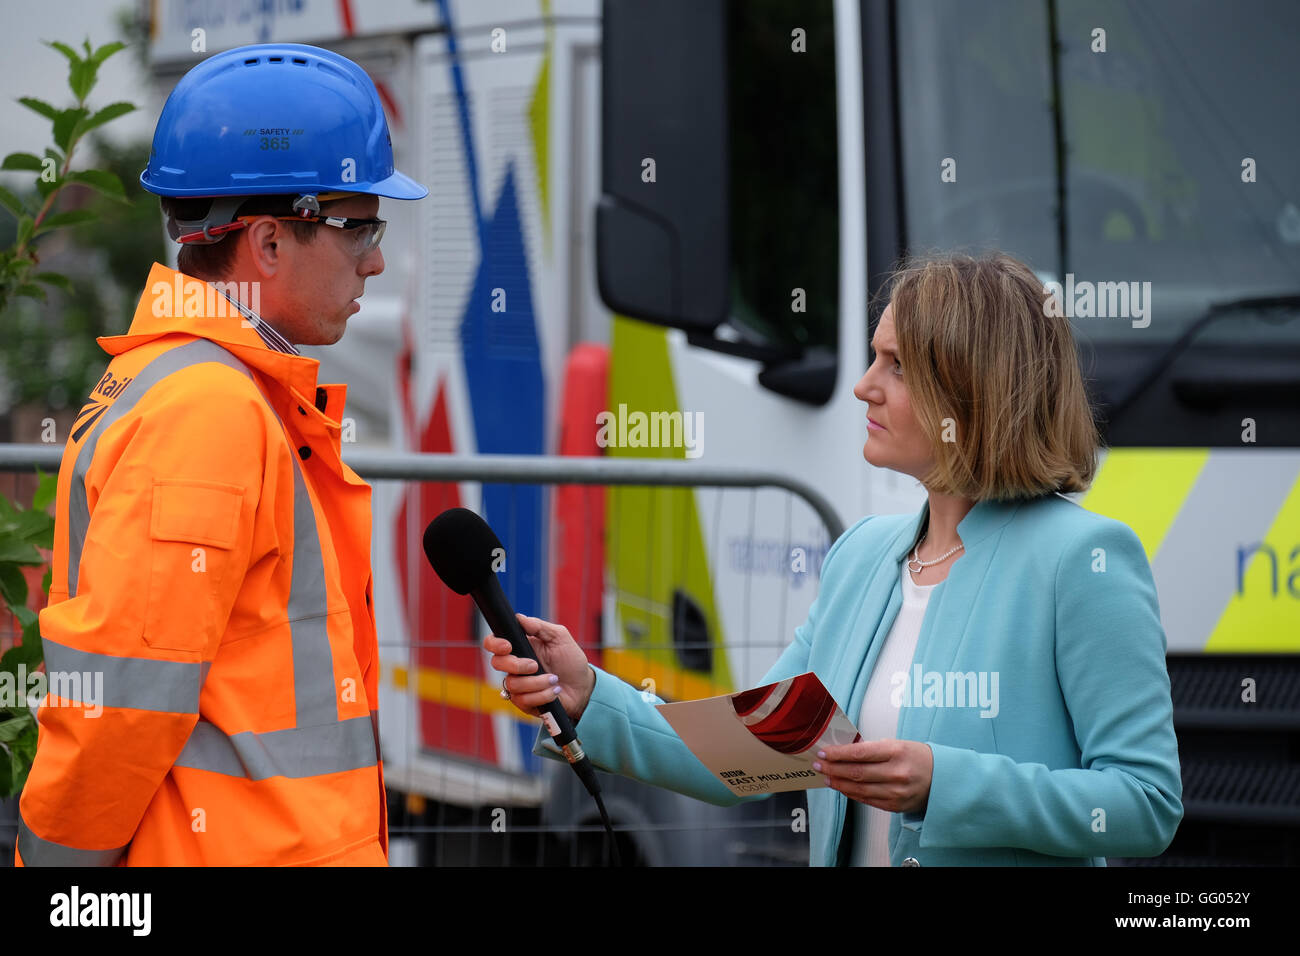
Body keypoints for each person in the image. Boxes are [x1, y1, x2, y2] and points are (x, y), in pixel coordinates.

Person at [485, 252, 1183, 866]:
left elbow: (1145, 803)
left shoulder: (1084, 560)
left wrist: (948, 783)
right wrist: (587, 694)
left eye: (897, 366)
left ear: (973, 392)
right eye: (875, 356)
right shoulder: (864, 555)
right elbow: (751, 752)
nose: (863, 386)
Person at [16, 43, 427, 866]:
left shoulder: (206, 387)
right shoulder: (208, 409)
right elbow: (123, 706)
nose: (376, 258)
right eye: (358, 225)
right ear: (268, 244)